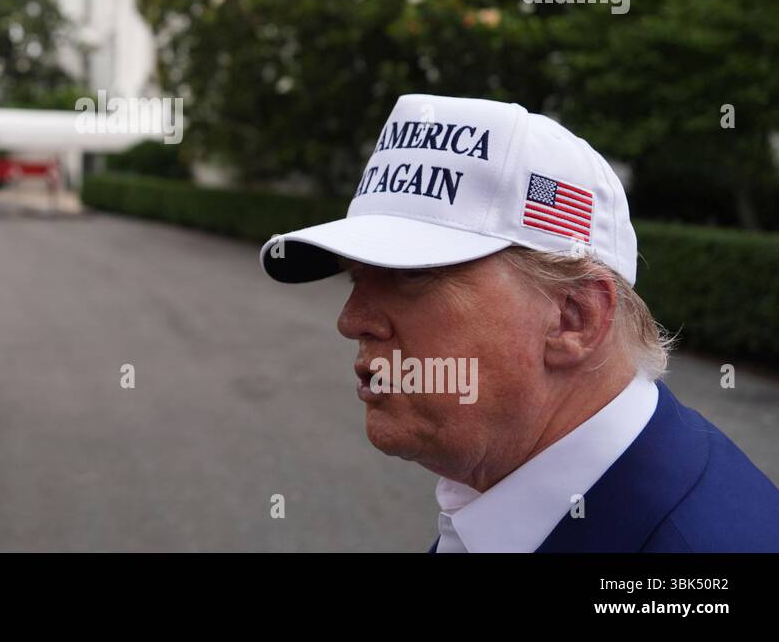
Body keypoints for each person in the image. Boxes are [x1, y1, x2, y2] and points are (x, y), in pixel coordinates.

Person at [260, 93, 779, 552]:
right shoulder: (502, 492)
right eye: (357, 278)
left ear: (574, 317)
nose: (351, 321)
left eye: (410, 276)